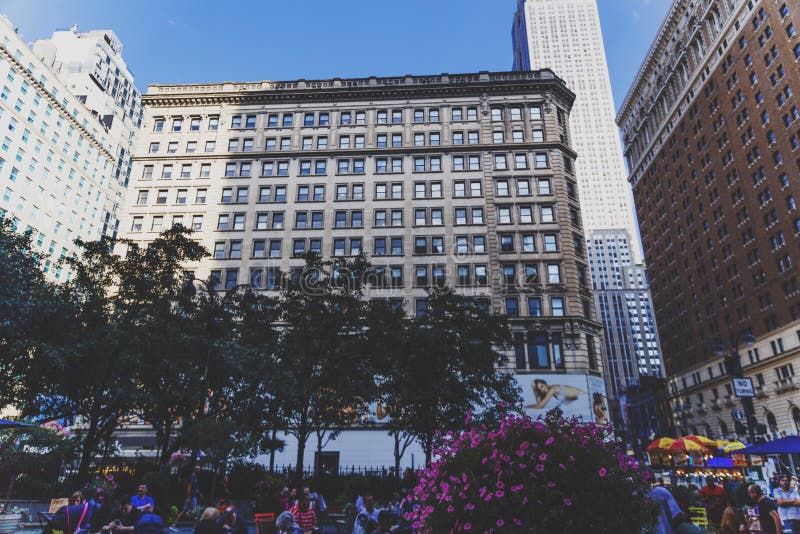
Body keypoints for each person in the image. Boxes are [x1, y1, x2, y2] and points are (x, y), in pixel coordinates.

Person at [172, 465, 203, 529]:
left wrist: (200, 494)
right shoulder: (192, 477)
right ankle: (174, 524)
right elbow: (189, 488)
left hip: (194, 496)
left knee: (187, 511)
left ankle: (174, 524)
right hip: (191, 497)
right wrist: (188, 497)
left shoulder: (196, 477)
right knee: (193, 511)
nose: (199, 470)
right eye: (198, 469)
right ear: (195, 469)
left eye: (200, 469)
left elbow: (195, 488)